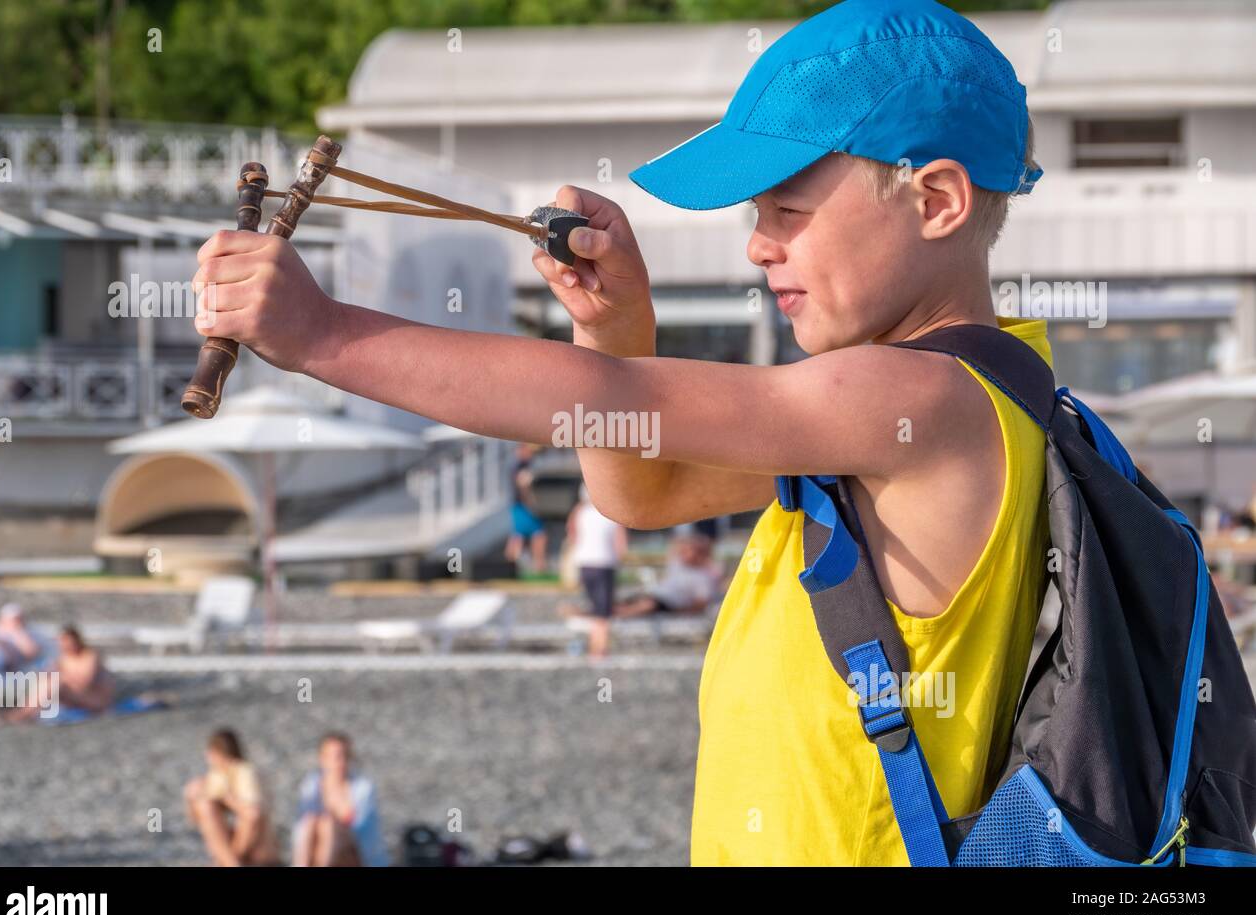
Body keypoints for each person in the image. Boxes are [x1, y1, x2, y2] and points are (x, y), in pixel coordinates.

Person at [190, 0, 1052, 865]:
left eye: (787, 211)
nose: (758, 247)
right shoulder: (938, 409)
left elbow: (595, 400)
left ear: (936, 198)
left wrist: (324, 335)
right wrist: (616, 329)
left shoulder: (925, 401)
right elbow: (643, 491)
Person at [183, 729, 280, 866]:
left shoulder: (245, 772)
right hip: (242, 851)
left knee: (248, 814)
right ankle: (231, 862)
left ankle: (230, 862)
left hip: (259, 852)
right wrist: (190, 799)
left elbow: (253, 813)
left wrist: (227, 798)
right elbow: (195, 820)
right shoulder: (217, 775)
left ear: (215, 752)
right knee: (206, 806)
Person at [292, 732, 389, 867]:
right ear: (322, 758)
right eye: (331, 756)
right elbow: (302, 823)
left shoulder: (362, 787)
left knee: (328, 826)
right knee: (311, 823)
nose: (338, 761)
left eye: (343, 755)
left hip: (356, 851)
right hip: (321, 844)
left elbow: (360, 827)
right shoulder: (312, 784)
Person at [564, 482, 628, 657]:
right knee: (603, 611)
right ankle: (599, 650)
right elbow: (621, 543)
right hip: (604, 563)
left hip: (584, 562)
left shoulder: (580, 512)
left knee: (595, 607)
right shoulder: (611, 514)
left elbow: (572, 535)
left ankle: (595, 646)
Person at [614, 532, 723, 619]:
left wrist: (683, 612)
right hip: (656, 595)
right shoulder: (678, 564)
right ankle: (614, 613)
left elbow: (701, 602)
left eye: (688, 551)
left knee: (648, 604)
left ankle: (619, 615)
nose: (683, 553)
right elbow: (675, 544)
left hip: (671, 603)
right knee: (632, 600)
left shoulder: (703, 577)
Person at [504, 443, 548, 574]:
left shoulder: (520, 465)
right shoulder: (520, 466)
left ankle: (510, 566)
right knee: (534, 536)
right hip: (523, 506)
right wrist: (531, 505)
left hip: (520, 505)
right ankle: (538, 567)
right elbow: (523, 487)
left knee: (519, 536)